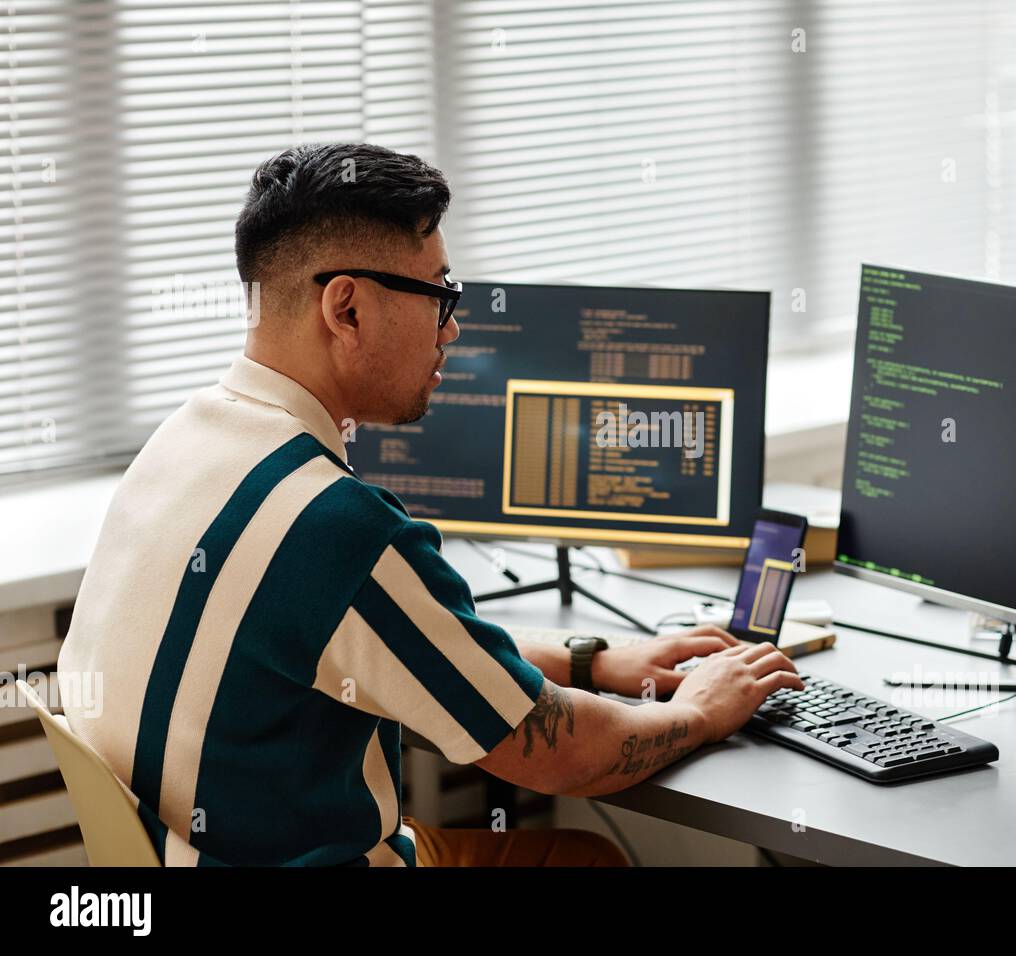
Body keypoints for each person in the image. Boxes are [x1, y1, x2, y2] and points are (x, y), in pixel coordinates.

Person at [56, 143, 803, 867]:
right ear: (345, 309)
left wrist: (594, 658)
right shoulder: (335, 526)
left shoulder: (185, 438)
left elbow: (403, 638)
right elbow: (562, 755)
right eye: (441, 294)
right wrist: (701, 709)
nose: (453, 327)